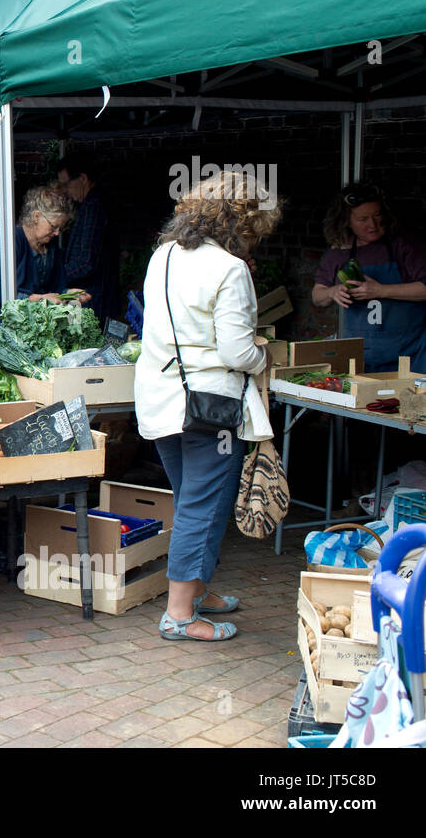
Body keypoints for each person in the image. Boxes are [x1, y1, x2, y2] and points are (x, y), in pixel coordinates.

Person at [135, 171, 280, 642]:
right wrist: (266, 355)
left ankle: (196, 590)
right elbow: (239, 352)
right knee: (202, 506)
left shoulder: (164, 255)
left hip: (160, 397)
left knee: (192, 499)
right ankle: (179, 615)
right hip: (210, 408)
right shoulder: (230, 270)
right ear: (243, 223)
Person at [311, 184, 426, 374]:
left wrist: (381, 291)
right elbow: (317, 295)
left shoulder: (405, 245)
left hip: (411, 354)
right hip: (362, 357)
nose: (372, 224)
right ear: (346, 221)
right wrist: (332, 292)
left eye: (377, 215)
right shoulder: (339, 252)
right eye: (363, 219)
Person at [0, 184, 89, 315]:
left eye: (61, 228)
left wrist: (68, 294)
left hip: (33, 325)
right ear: (36, 216)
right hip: (2, 325)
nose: (57, 233)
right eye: (53, 226)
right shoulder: (9, 242)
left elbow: (55, 289)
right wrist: (38, 299)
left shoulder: (51, 247)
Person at [58, 153, 119, 322]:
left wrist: (57, 277)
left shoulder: (93, 206)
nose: (64, 190)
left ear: (83, 178)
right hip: (97, 294)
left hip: (92, 296)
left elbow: (86, 262)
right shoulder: (93, 203)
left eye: (66, 184)